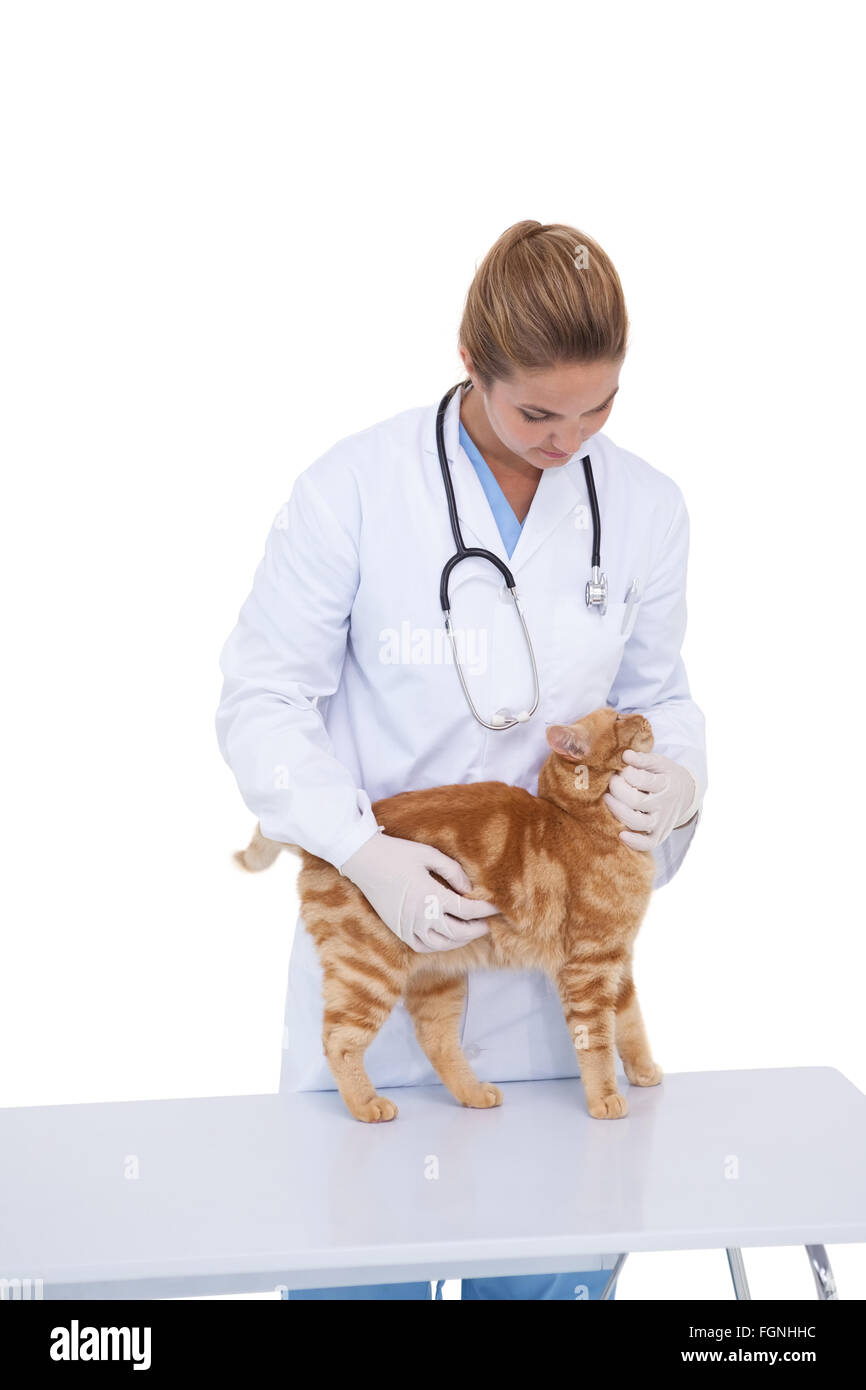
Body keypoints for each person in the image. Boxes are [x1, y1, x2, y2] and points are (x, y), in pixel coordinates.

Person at [215, 220, 707, 1300]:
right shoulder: (352, 489)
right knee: (360, 1273)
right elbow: (261, 697)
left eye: (598, 407)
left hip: (545, 1010)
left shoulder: (646, 507)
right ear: (467, 359)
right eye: (535, 410)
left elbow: (661, 692)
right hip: (383, 967)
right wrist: (362, 852)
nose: (567, 439)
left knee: (547, 1276)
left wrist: (675, 783)